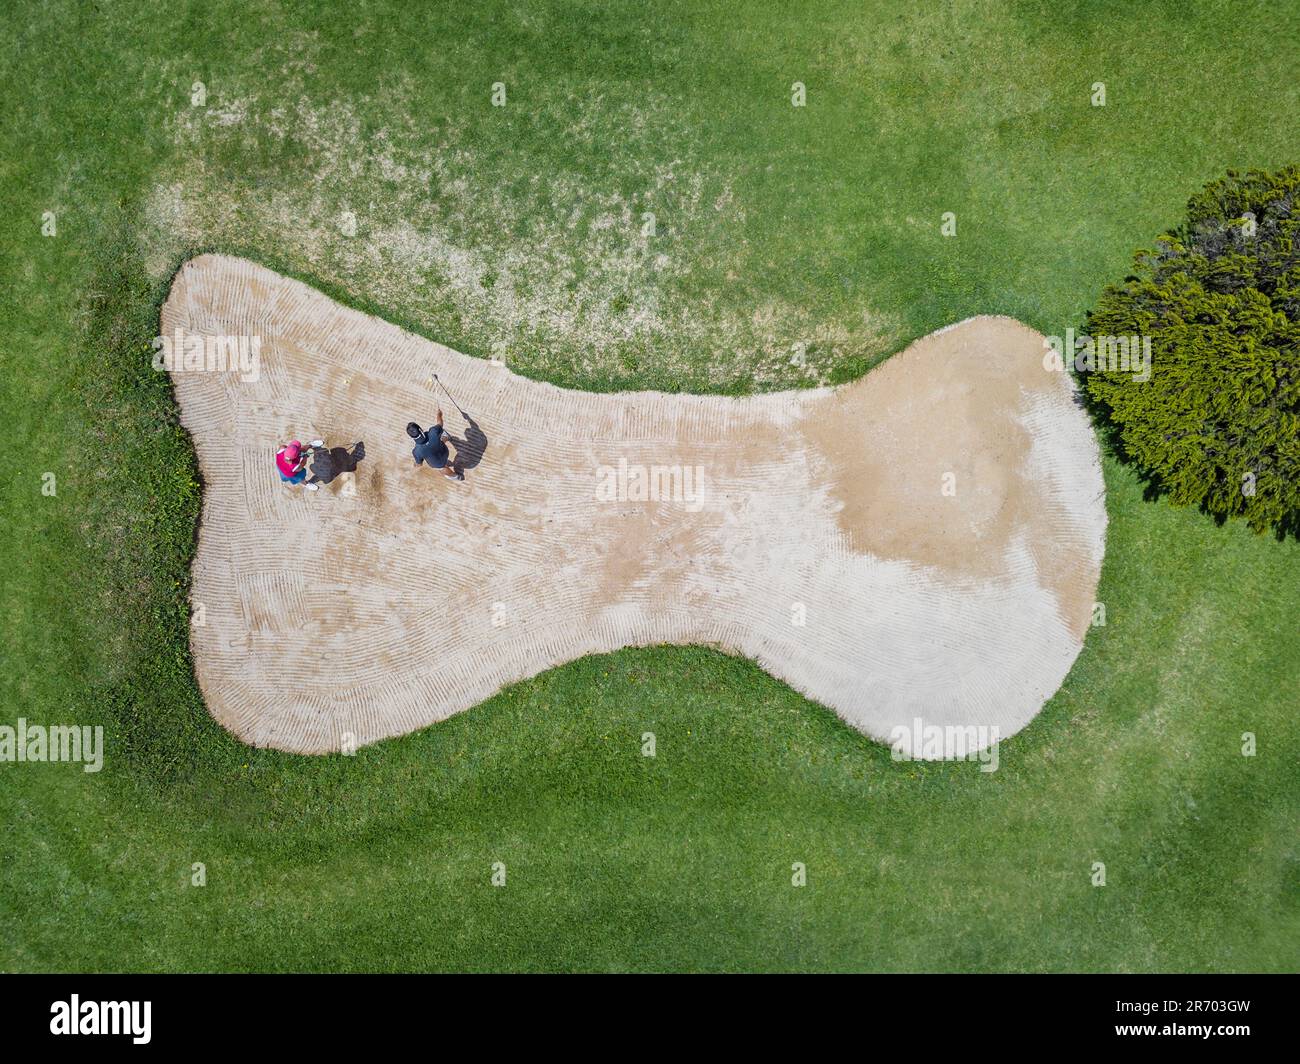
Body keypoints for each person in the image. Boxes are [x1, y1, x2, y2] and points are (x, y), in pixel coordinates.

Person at [407, 411, 464, 481]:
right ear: (420, 429)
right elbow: (440, 423)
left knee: (442, 468)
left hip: (438, 463)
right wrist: (439, 414)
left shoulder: (416, 451)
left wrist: (415, 466)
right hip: (445, 451)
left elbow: (419, 464)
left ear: (411, 437)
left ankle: (456, 477)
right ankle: (446, 436)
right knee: (438, 440)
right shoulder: (433, 431)